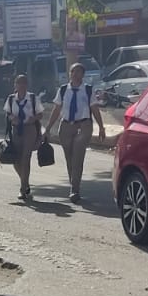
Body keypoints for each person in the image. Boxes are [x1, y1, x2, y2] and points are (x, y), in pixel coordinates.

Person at [48, 62, 105, 205]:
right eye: (73, 72)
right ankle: (73, 184)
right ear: (69, 74)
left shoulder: (87, 90)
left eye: (78, 72)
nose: (75, 74)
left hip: (83, 125)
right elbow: (56, 109)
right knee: (69, 158)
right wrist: (48, 127)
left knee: (77, 158)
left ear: (83, 75)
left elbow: (95, 109)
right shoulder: (62, 90)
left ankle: (75, 189)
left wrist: (101, 127)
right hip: (66, 125)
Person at [4, 73, 43, 203]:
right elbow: (7, 113)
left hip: (29, 129)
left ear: (26, 85)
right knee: (16, 159)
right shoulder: (11, 99)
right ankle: (25, 182)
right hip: (16, 130)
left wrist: (34, 118)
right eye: (18, 83)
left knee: (26, 158)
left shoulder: (32, 98)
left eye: (23, 83)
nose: (21, 86)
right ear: (15, 85)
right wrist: (12, 118)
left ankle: (22, 189)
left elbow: (40, 114)